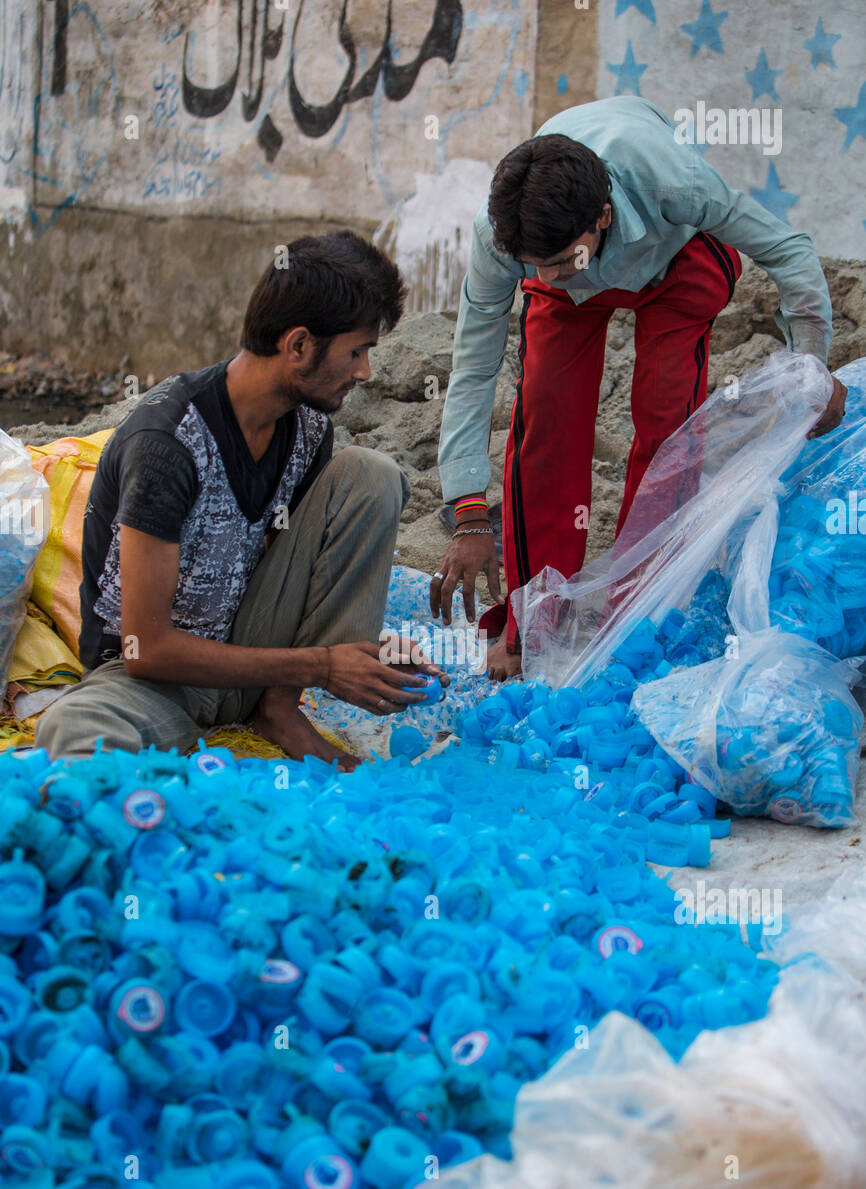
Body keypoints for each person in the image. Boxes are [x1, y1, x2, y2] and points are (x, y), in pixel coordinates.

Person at [431, 95, 847, 680]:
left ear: (602, 216)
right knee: (547, 418)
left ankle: (637, 615)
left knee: (668, 422)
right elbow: (473, 368)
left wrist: (812, 367)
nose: (544, 277)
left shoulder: (673, 181)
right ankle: (535, 621)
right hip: (575, 258)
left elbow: (788, 250)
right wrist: (471, 514)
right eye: (533, 265)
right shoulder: (510, 241)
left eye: (557, 259)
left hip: (675, 254)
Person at [37, 231, 445, 767]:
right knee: (74, 728)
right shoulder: (167, 445)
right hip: (161, 680)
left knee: (371, 474)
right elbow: (148, 650)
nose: (364, 372)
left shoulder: (306, 428)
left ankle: (277, 710)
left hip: (257, 656)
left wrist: (353, 661)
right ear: (299, 345)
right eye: (357, 351)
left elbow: (290, 569)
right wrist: (321, 665)